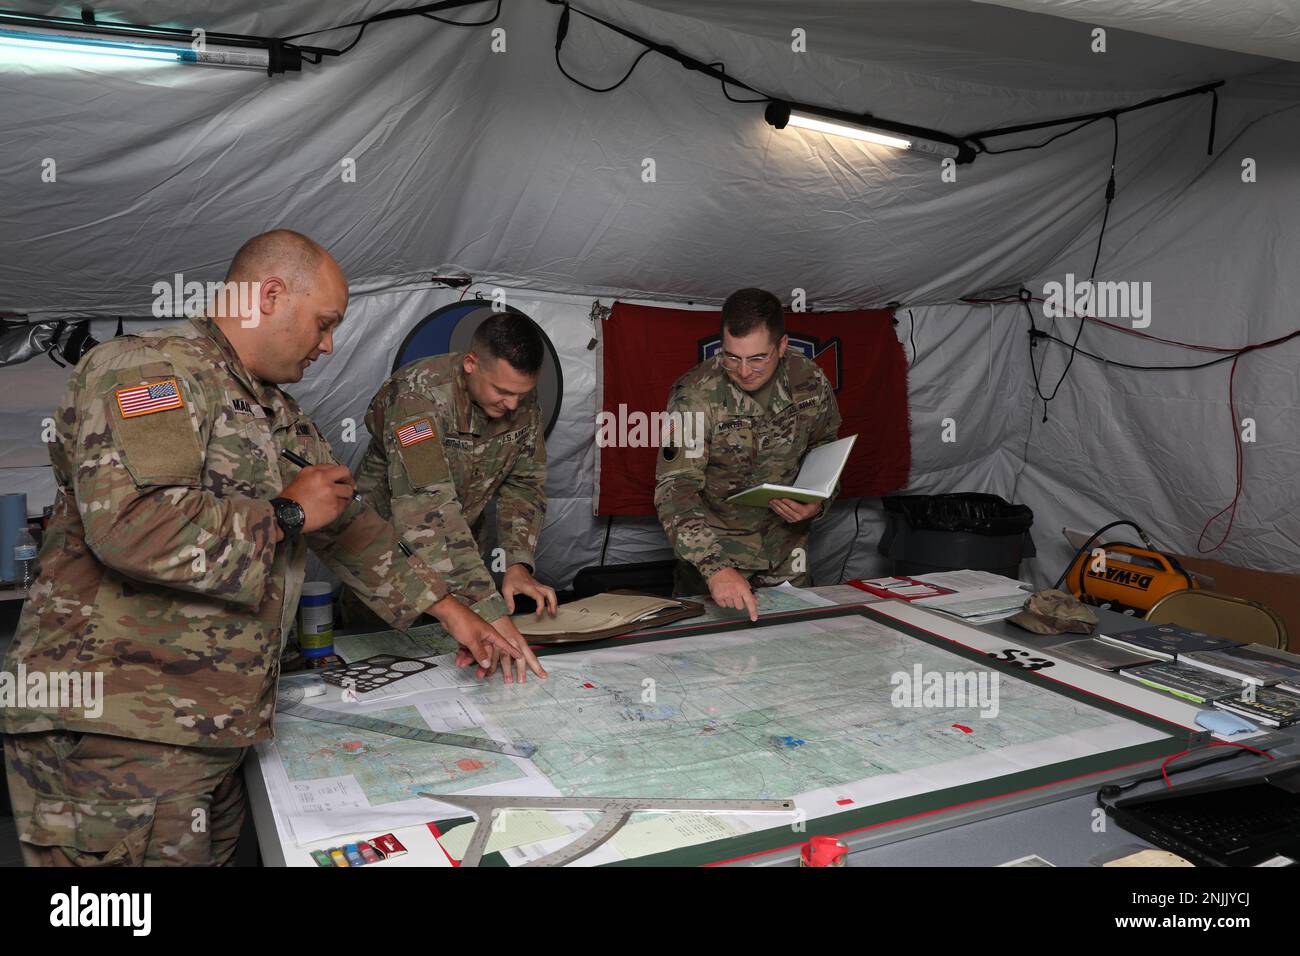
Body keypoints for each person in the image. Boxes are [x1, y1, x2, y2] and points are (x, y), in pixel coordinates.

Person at [0, 229, 544, 866]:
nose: (329, 344)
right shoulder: (147, 371)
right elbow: (133, 526)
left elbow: (348, 523)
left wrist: (458, 615)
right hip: (123, 731)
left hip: (213, 725)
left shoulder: (275, 411)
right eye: (324, 323)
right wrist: (286, 513)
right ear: (271, 295)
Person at [347, 313, 555, 683]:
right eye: (502, 392)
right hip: (387, 559)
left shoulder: (518, 397)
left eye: (521, 394)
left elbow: (524, 484)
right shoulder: (416, 396)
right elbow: (429, 507)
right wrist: (489, 609)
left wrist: (516, 562)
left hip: (460, 556)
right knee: (385, 673)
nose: (512, 405)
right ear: (470, 364)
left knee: (455, 675)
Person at [654, 288, 842, 621]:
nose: (743, 371)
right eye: (732, 357)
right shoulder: (696, 396)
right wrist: (715, 568)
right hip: (716, 557)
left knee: (795, 648)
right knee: (705, 658)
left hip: (786, 551)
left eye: (757, 358)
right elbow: (675, 490)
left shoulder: (808, 380)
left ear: (782, 346)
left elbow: (826, 446)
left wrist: (818, 501)